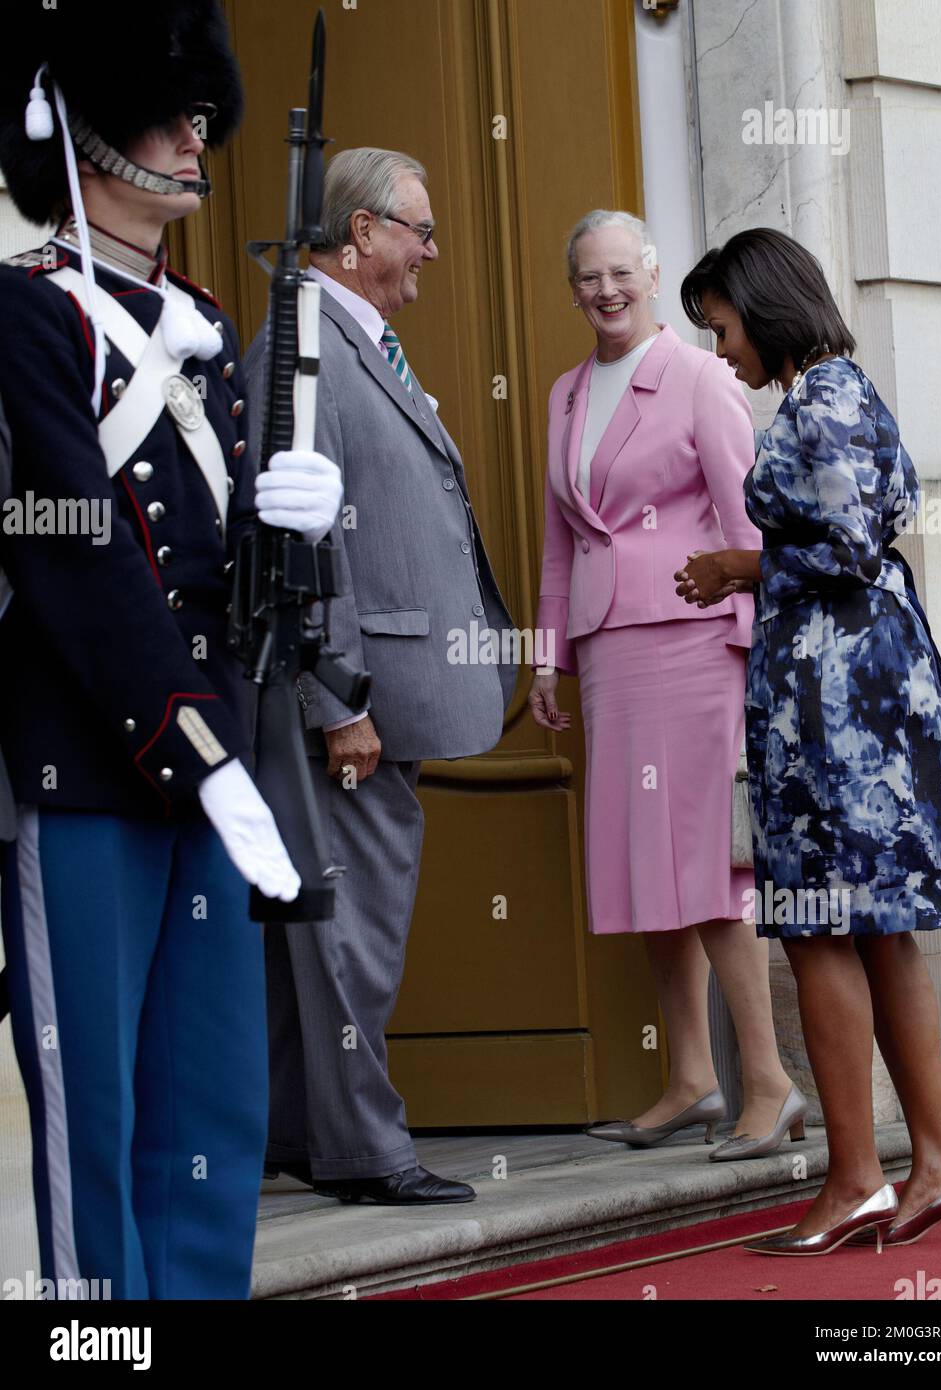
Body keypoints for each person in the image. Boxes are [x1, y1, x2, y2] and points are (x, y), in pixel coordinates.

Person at [0, 1, 343, 1297]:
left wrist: (302, 520)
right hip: (97, 763)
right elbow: (72, 549)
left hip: (217, 765)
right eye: (169, 114)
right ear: (90, 135)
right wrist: (197, 749)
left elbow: (222, 562)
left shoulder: (196, 314)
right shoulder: (28, 314)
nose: (198, 138)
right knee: (98, 1129)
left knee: (210, 1114)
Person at [676, 226, 941, 1254]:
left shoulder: (821, 399)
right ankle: (933, 1159)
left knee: (817, 921)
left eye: (720, 328)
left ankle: (857, 1173)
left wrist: (735, 564)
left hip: (838, 704)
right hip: (854, 690)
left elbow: (846, 548)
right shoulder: (835, 394)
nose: (720, 352)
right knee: (879, 922)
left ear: (762, 309)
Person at [245, 147, 517, 1205]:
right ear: (359, 234)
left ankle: (301, 1133)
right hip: (353, 701)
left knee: (324, 935)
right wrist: (336, 700)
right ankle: (363, 1147)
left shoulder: (350, 338)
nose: (432, 251)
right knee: (351, 935)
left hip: (382, 692)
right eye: (418, 228)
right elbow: (298, 540)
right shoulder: (304, 342)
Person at [528, 210, 803, 1158]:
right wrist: (546, 653)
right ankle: (689, 1078)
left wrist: (753, 651)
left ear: (649, 274)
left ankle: (767, 1081)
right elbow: (560, 541)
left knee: (706, 866)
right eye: (586, 277)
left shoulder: (699, 377)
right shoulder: (564, 393)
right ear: (572, 288)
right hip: (610, 654)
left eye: (619, 272)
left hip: (694, 648)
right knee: (647, 865)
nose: (604, 291)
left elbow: (748, 525)